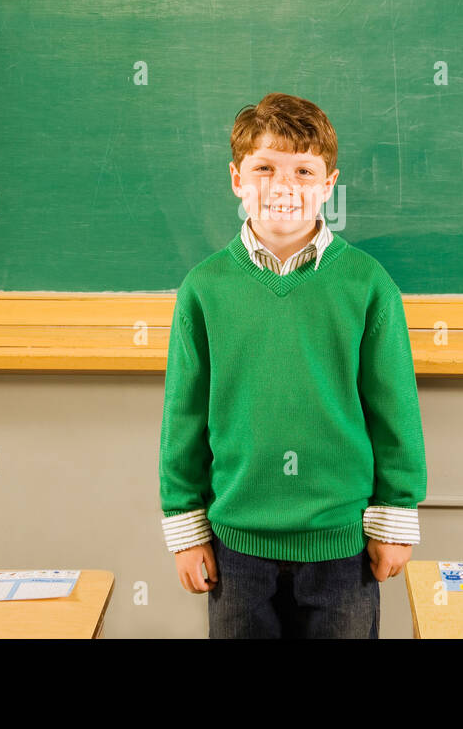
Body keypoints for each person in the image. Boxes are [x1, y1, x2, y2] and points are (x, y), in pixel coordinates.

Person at [158, 92, 427, 638]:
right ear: (237, 179)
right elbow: (182, 417)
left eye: (304, 170)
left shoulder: (367, 284)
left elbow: (393, 406)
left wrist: (394, 516)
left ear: (329, 184)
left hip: (341, 543)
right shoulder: (204, 289)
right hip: (236, 545)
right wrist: (186, 530)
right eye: (265, 168)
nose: (283, 187)